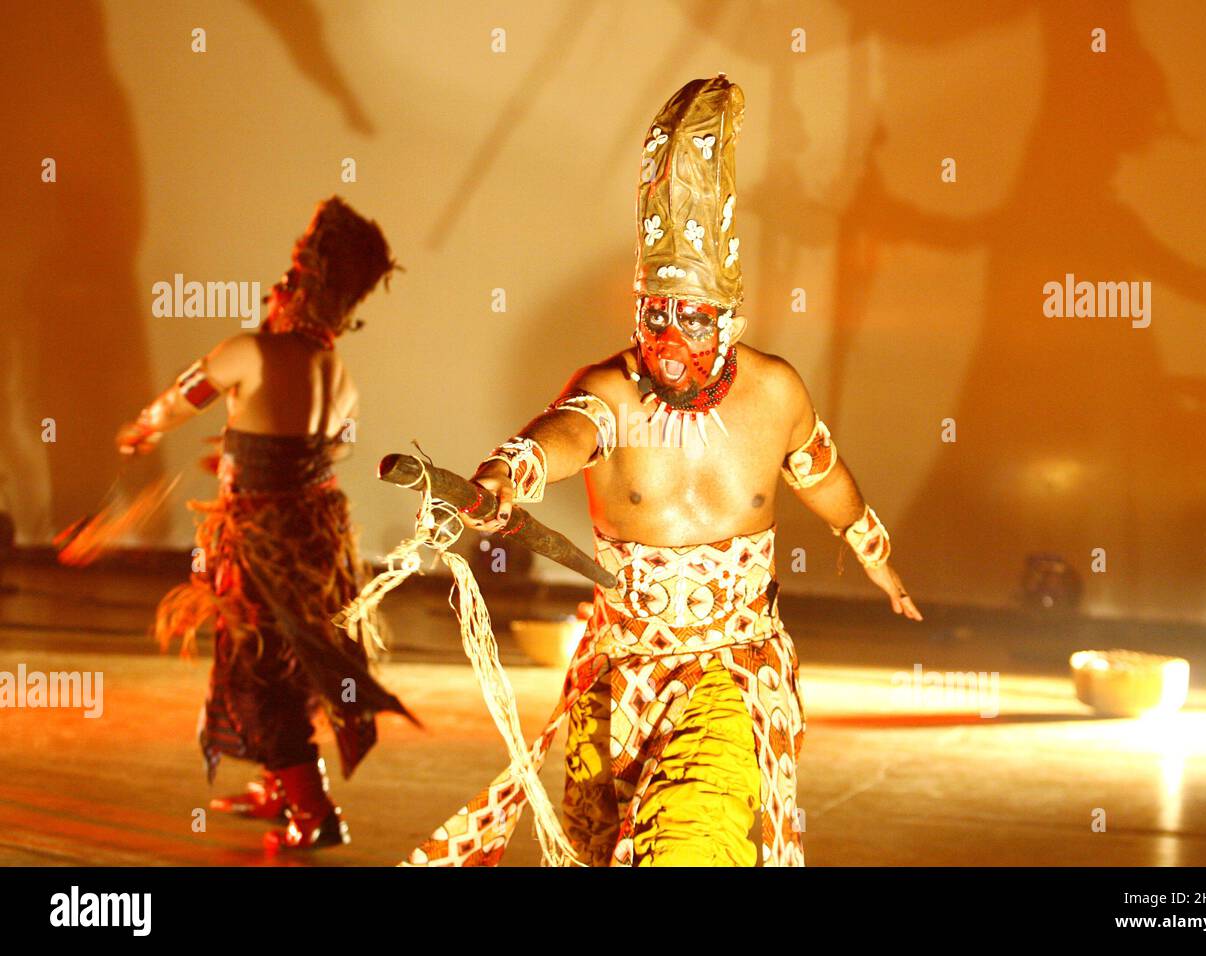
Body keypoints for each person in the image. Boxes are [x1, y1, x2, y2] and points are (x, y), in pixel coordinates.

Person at [402, 76, 921, 868]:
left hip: (730, 676)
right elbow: (568, 434)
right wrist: (508, 473)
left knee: (687, 850)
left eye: (693, 318)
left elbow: (823, 476)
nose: (670, 337)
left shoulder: (774, 391)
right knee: (597, 851)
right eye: (655, 316)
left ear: (729, 320)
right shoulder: (608, 390)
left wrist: (873, 551)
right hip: (617, 679)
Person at [116, 196, 412, 852]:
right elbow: (316, 451)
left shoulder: (249, 351)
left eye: (288, 276)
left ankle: (314, 808)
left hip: (262, 548)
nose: (276, 288)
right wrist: (241, 453)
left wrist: (140, 430)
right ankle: (278, 790)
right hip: (312, 543)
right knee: (279, 660)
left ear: (298, 289)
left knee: (259, 672)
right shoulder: (339, 374)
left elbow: (178, 401)